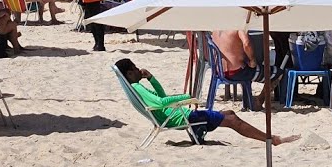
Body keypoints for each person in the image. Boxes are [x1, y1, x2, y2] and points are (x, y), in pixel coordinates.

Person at [114, 58, 297, 146]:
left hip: (178, 117)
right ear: (130, 73)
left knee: (228, 114)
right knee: (232, 119)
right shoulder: (137, 87)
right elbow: (162, 102)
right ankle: (272, 139)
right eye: (136, 69)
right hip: (184, 117)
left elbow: (161, 97)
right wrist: (186, 96)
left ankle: (270, 138)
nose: (140, 70)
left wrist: (152, 78)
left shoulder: (137, 87)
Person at [211, 29, 258, 98]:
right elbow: (246, 44)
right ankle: (260, 100)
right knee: (276, 73)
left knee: (248, 69)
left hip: (219, 72)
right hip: (237, 72)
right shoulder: (238, 27)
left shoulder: (216, 29)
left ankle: (248, 100)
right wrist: (252, 60)